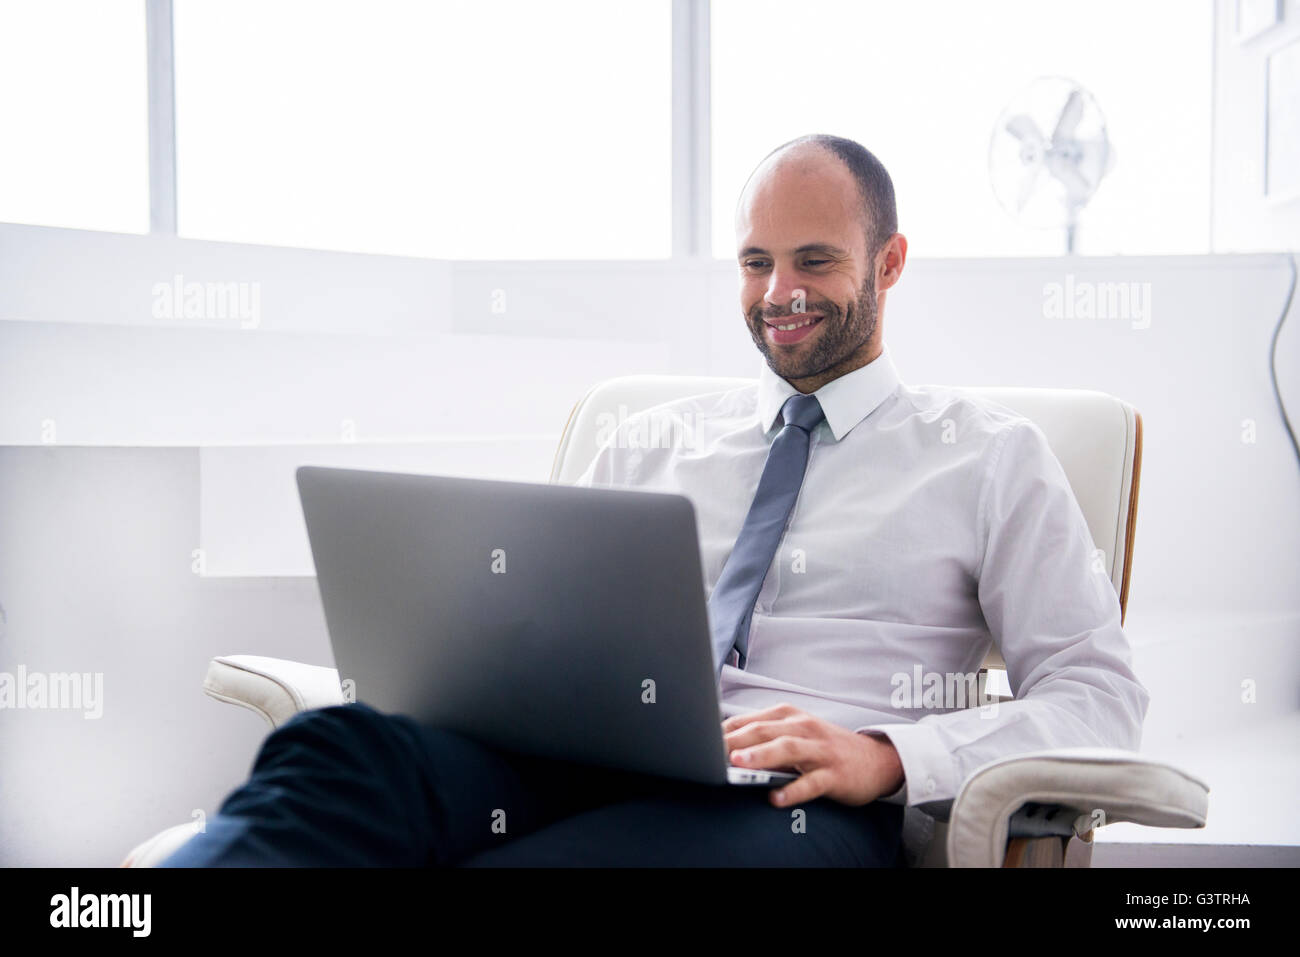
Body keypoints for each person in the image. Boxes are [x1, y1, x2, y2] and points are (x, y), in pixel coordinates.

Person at [159, 133, 1148, 867]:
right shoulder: (648, 442)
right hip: (571, 761)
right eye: (757, 263)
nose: (779, 294)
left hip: (795, 811)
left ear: (888, 263)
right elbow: (533, 639)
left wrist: (887, 753)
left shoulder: (986, 459)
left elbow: (1098, 700)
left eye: (815, 261)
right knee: (338, 750)